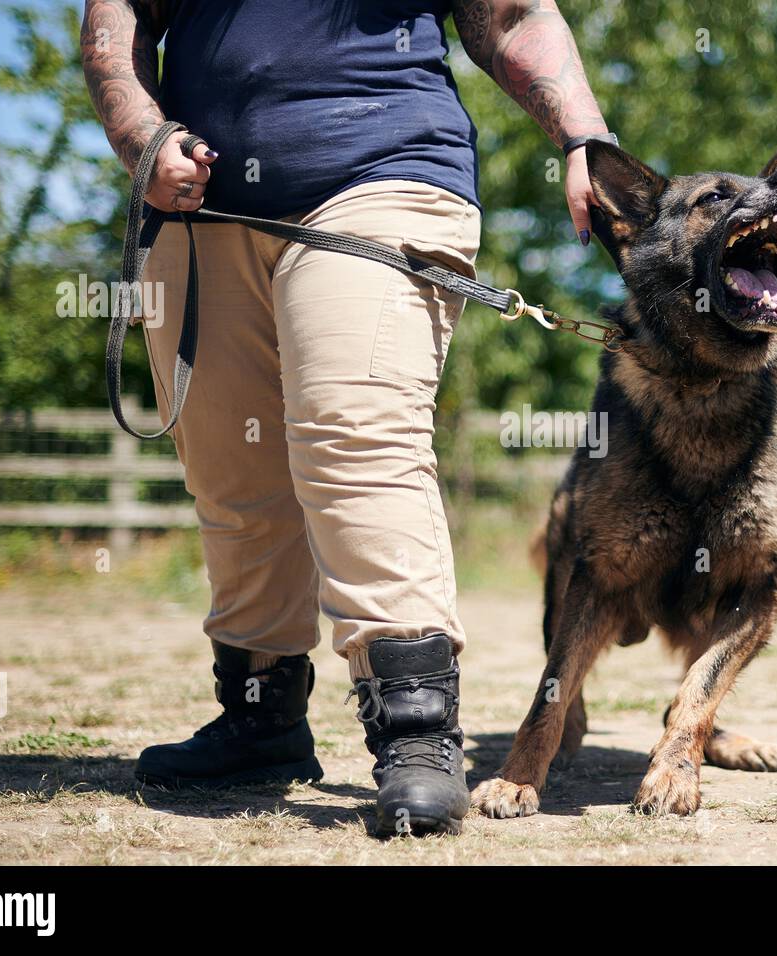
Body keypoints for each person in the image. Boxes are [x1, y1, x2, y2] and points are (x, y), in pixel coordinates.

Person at [80, 0, 613, 837]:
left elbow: (508, 16)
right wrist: (141, 137)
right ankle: (261, 721)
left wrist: (584, 137)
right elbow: (117, 25)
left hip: (382, 171)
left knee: (355, 431)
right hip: (196, 206)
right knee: (232, 470)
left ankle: (416, 735)